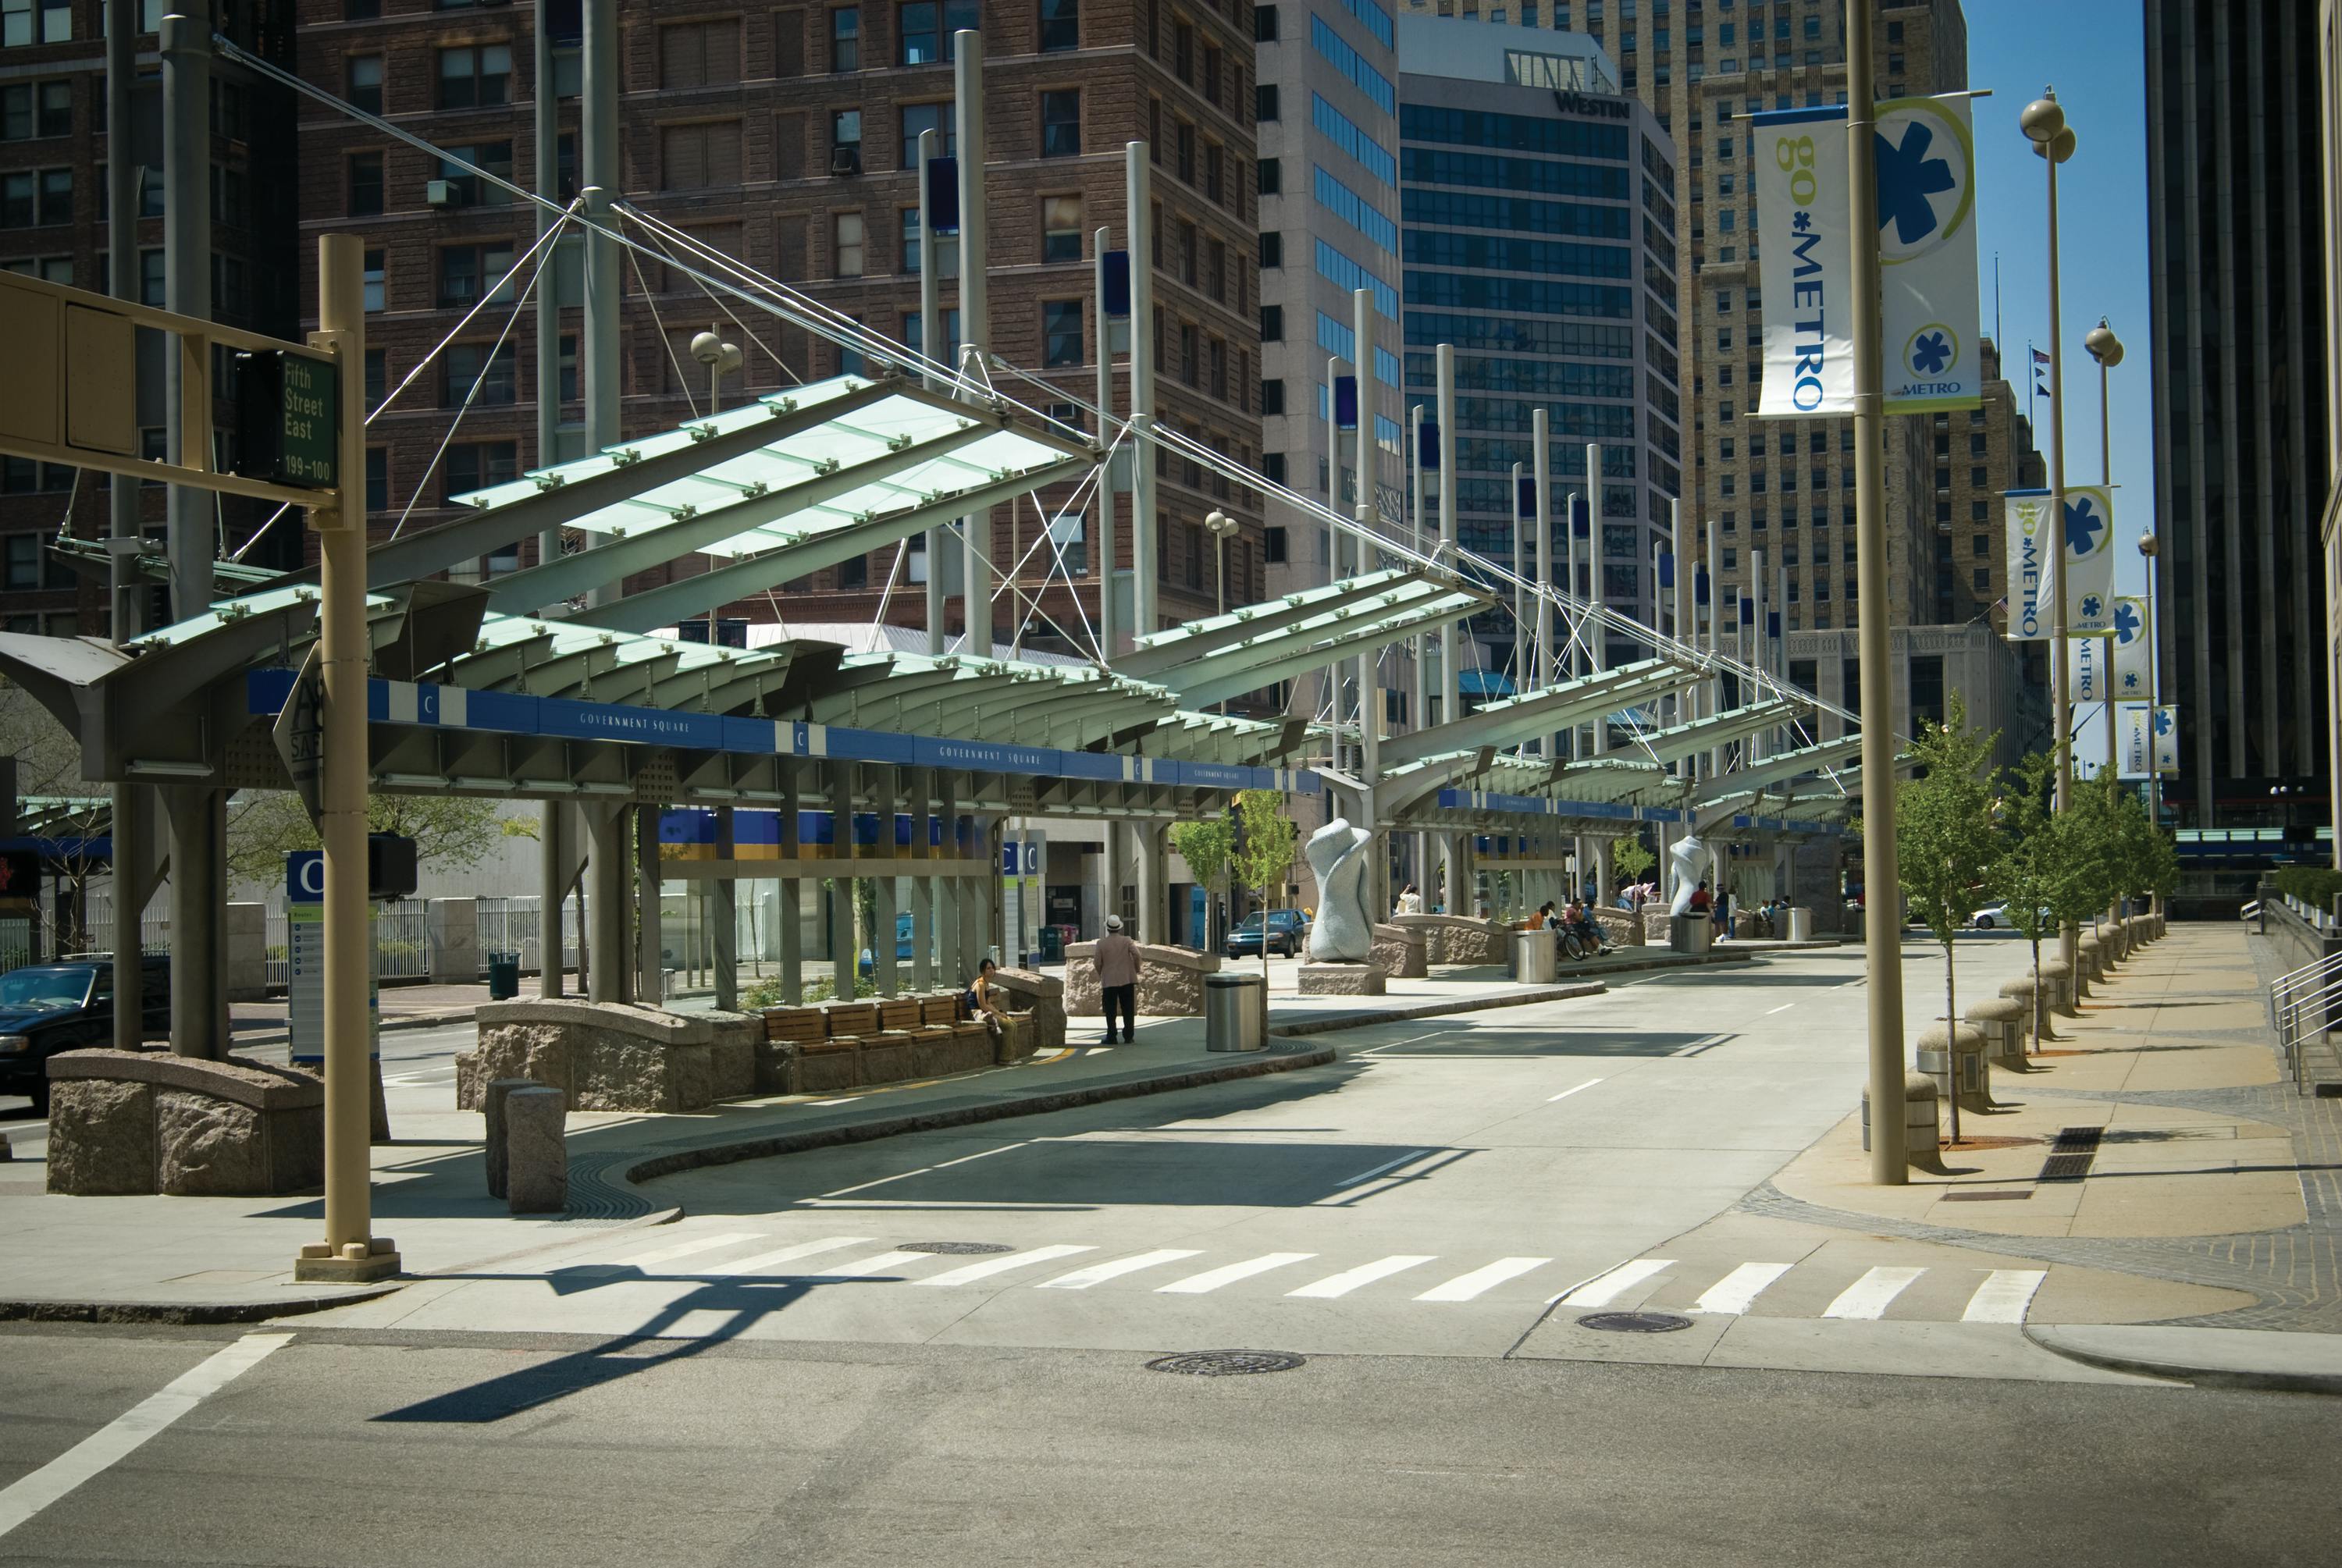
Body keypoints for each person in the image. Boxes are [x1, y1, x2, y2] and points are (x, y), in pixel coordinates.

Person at [1094, 914, 1139, 1044]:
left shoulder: (1101, 943)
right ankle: (1128, 1036)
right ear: (1119, 928)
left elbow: (1097, 962)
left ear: (1107, 928)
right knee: (1128, 1008)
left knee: (1110, 1010)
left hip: (1109, 980)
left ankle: (1112, 1036)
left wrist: (1101, 973)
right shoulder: (1127, 940)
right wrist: (1136, 969)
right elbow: (1137, 954)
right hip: (1127, 978)